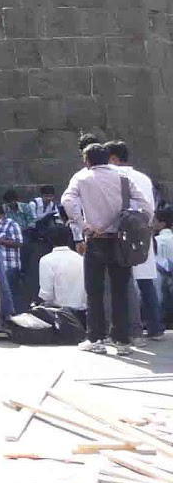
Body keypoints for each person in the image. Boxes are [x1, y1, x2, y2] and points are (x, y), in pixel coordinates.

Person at [62, 142, 155, 354]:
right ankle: (121, 340)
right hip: (120, 240)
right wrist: (142, 224)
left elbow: (67, 200)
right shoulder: (123, 177)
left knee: (94, 290)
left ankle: (95, 338)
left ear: (87, 161)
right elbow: (145, 205)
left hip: (96, 239)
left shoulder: (81, 178)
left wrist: (83, 225)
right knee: (120, 291)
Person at [106, 140, 164, 341]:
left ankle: (131, 329)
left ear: (113, 158)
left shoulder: (115, 177)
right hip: (144, 230)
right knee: (146, 280)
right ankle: (155, 327)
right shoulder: (143, 178)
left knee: (124, 283)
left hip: (124, 233)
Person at [0, 199, 25, 307]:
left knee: (10, 294)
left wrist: (0, 241)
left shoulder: (12, 224)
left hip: (10, 266)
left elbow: (19, 243)